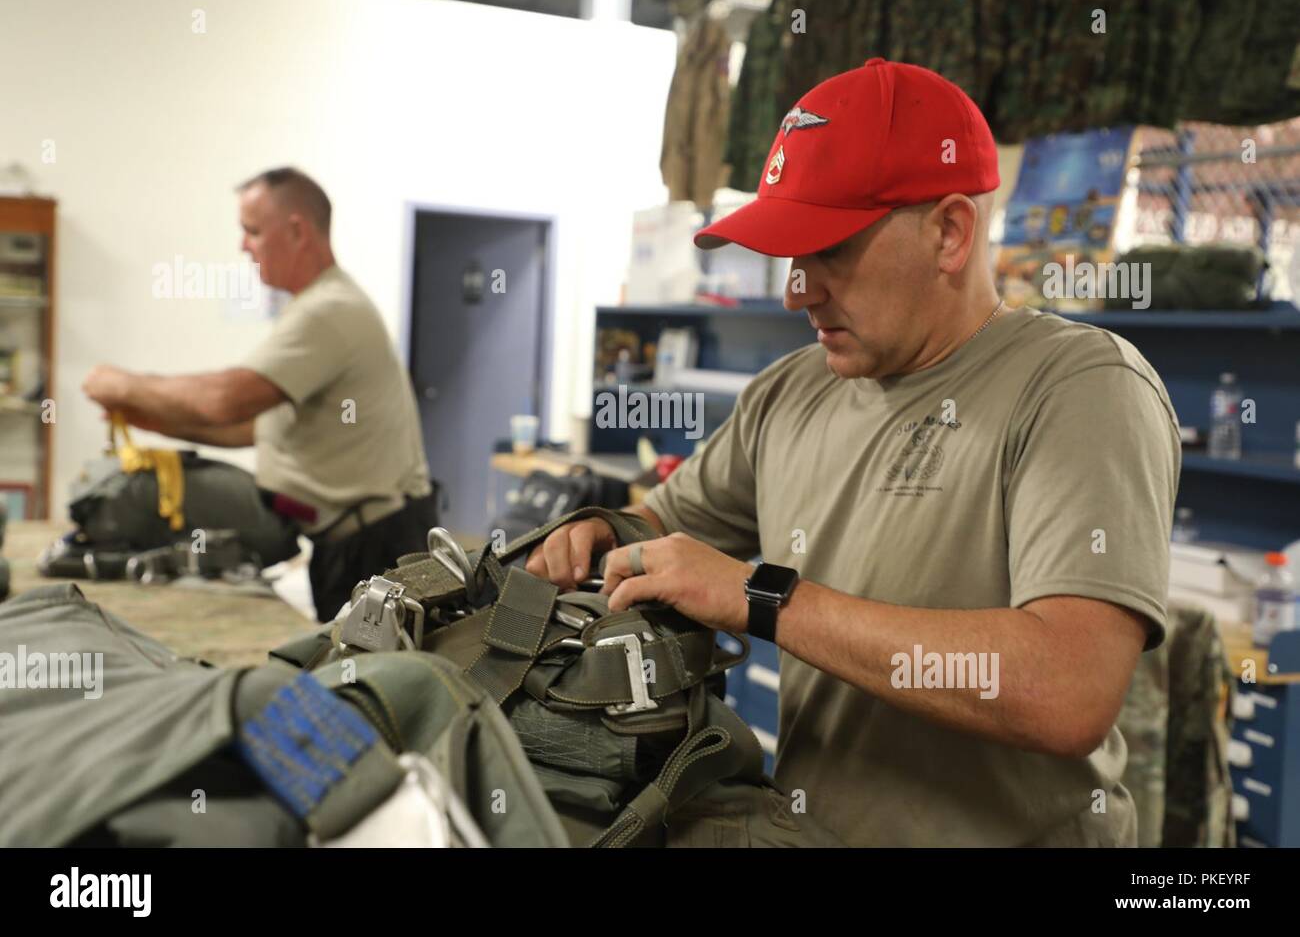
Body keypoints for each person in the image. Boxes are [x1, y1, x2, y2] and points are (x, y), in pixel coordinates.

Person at [525, 60, 1180, 846]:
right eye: (787, 254)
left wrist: (764, 599)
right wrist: (602, 534)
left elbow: (1066, 690)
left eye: (827, 248)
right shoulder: (791, 391)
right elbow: (661, 528)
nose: (796, 290)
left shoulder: (1081, 388)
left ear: (949, 233)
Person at [83, 167, 435, 622]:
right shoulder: (315, 304)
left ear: (296, 231)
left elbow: (227, 399)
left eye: (252, 231)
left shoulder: (329, 310)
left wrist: (123, 384)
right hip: (349, 541)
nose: (243, 246)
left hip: (376, 548)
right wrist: (153, 418)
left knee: (363, 665)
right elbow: (252, 425)